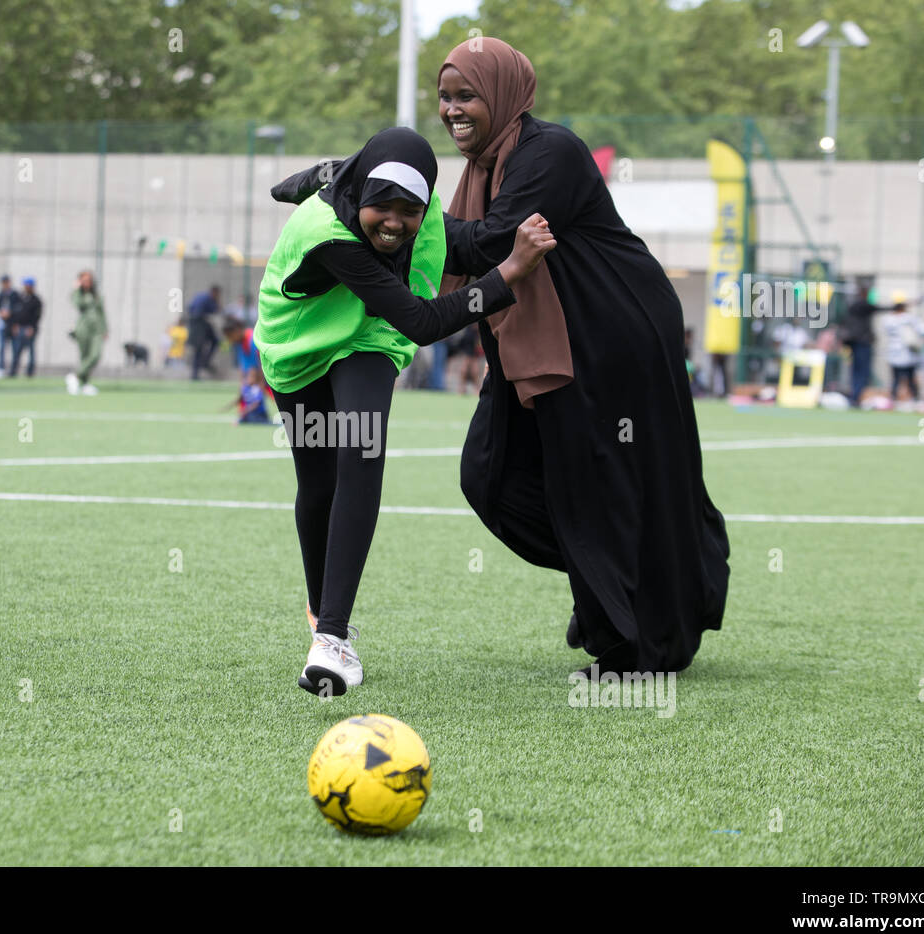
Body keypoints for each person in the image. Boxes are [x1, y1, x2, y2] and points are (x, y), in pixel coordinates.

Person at [430, 38, 729, 675]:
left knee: (604, 482)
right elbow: (483, 252)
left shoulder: (550, 152)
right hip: (538, 344)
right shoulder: (483, 168)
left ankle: (635, 641)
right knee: (490, 476)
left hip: (611, 332)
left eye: (467, 96)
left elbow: (489, 244)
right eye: (445, 97)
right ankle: (622, 585)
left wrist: (394, 216)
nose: (452, 110)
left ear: (505, 94)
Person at [260, 126, 554, 696]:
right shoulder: (329, 235)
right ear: (358, 193)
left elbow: (452, 255)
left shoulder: (402, 202)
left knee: (361, 456)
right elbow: (423, 321)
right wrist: (510, 272)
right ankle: (321, 610)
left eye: (409, 210)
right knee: (318, 484)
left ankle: (332, 641)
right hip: (298, 342)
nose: (394, 222)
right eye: (381, 208)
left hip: (369, 335)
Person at [841, 284, 892, 407]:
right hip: (862, 342)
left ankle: (855, 396)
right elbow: (879, 308)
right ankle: (856, 397)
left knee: (856, 371)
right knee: (862, 371)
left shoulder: (852, 306)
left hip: (854, 342)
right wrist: (897, 307)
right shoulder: (862, 305)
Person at [66, 270, 107, 395]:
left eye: (88, 280)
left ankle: (75, 376)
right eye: (84, 280)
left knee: (95, 355)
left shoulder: (96, 295)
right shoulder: (79, 294)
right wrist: (77, 289)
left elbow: (102, 313)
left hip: (97, 329)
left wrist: (105, 329)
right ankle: (84, 384)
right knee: (84, 356)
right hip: (83, 328)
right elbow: (77, 303)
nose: (87, 283)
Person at [882, 301, 924, 406]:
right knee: (910, 378)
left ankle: (893, 400)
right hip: (907, 353)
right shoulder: (908, 318)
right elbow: (922, 330)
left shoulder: (888, 320)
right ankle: (915, 399)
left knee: (896, 379)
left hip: (894, 353)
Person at [9, 277, 42, 377]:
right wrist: (14, 325)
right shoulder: (20, 298)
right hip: (19, 328)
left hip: (29, 329)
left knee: (31, 351)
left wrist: (32, 327)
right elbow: (15, 313)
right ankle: (13, 371)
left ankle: (30, 372)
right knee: (16, 351)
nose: (27, 287)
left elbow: (37, 316)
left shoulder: (36, 300)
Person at [187, 285, 221, 379]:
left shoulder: (203, 297)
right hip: (199, 327)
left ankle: (204, 363)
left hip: (201, 326)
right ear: (215, 292)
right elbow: (198, 313)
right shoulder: (207, 299)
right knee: (198, 350)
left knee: (214, 342)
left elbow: (190, 308)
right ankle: (195, 373)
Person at [0, 275, 20, 378]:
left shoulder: (14, 294)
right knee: (2, 347)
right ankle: (1, 368)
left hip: (12, 325)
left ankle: (13, 370)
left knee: (15, 348)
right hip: (2, 325)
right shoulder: (0, 294)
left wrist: (11, 315)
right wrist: (2, 313)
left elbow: (18, 309)